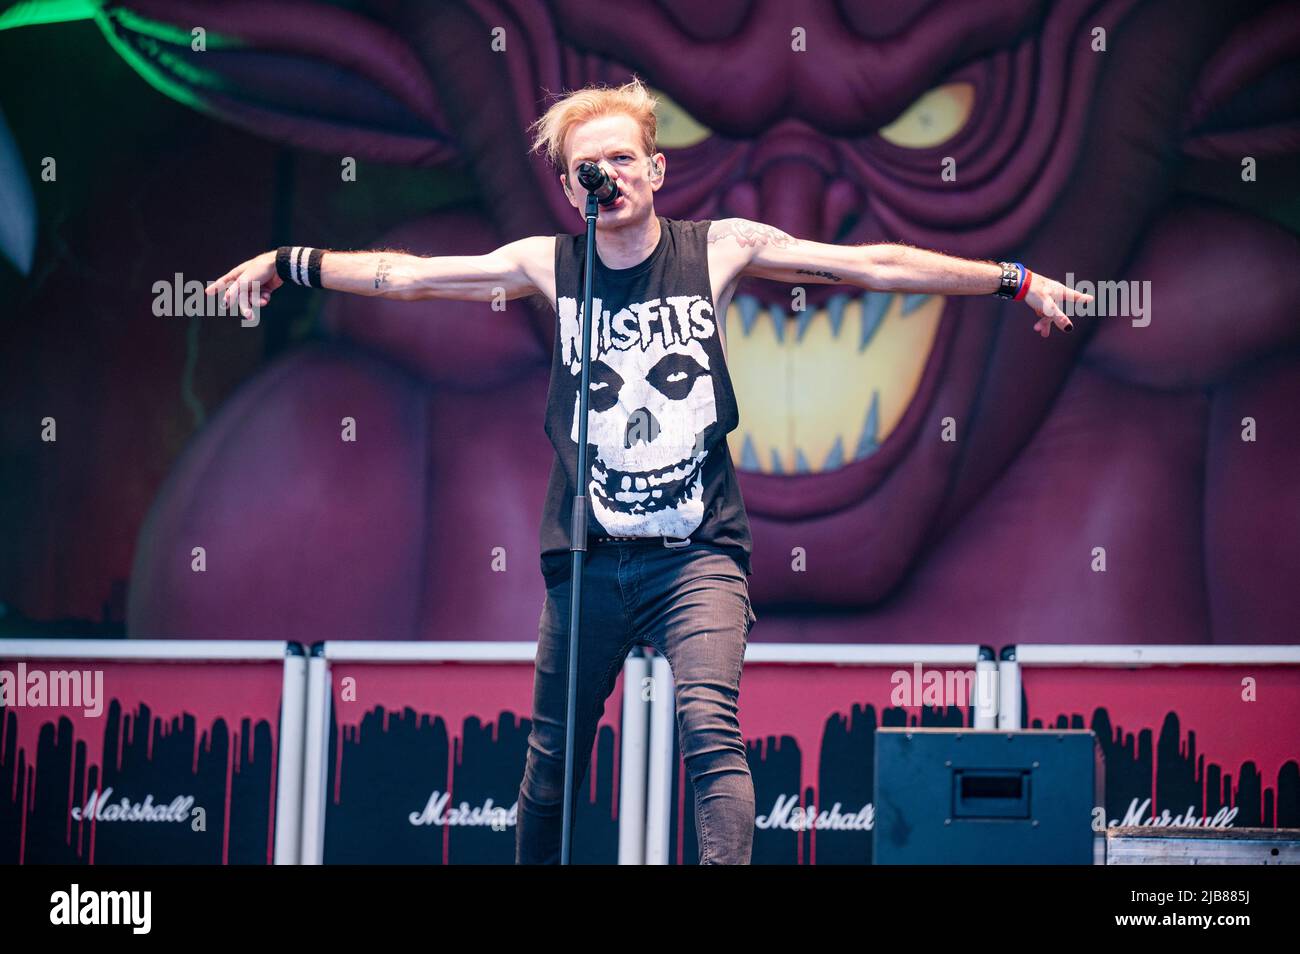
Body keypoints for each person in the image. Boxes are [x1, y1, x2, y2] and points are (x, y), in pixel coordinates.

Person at [206, 77, 1091, 865]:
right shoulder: (547, 263)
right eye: (592, 166)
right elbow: (408, 278)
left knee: (709, 725)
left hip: (695, 551)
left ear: (657, 170)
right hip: (588, 554)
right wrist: (292, 264)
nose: (611, 177)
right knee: (549, 765)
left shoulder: (719, 248)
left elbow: (874, 264)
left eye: (625, 159)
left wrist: (1011, 279)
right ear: (569, 186)